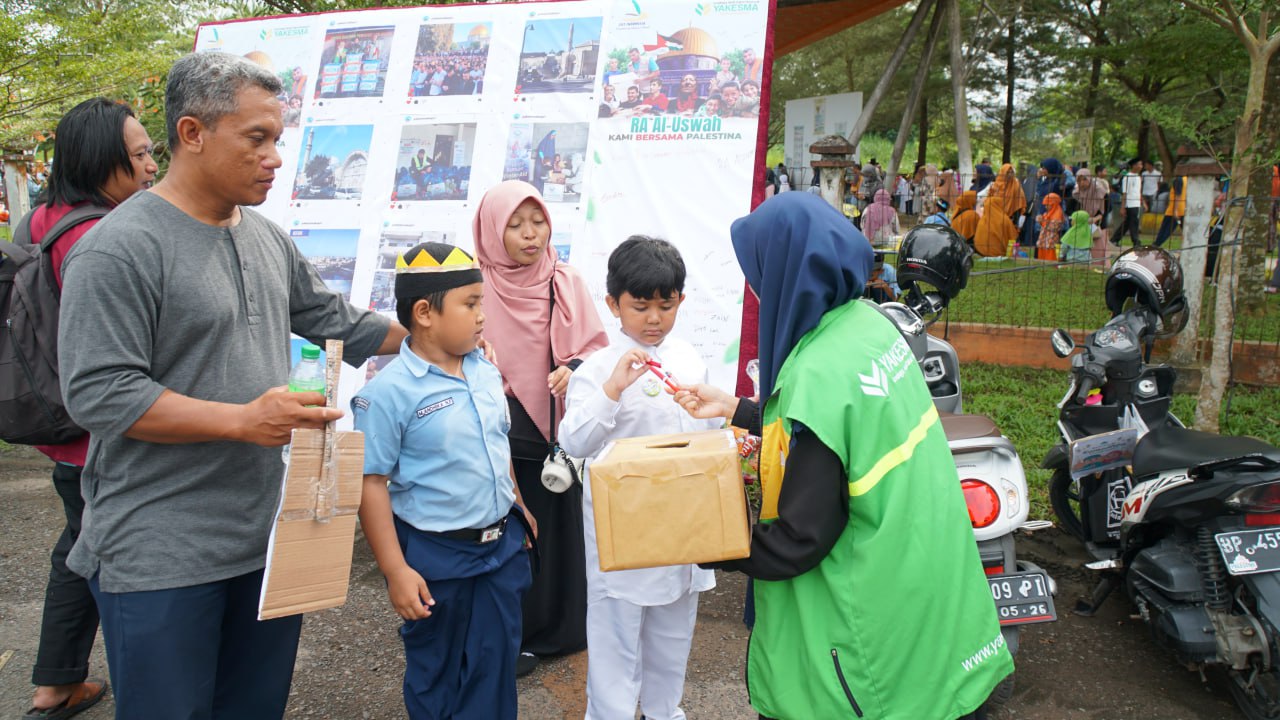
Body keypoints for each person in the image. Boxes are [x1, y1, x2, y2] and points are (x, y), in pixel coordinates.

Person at [56, 52, 405, 718]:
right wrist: (242, 420)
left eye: (277, 139)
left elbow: (330, 317)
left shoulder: (266, 238)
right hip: (161, 549)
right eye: (257, 139)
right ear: (192, 133)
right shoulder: (119, 247)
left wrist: (426, 336)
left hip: (264, 539)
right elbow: (99, 391)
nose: (275, 157)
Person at [671, 193, 1013, 720]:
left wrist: (698, 538)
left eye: (758, 271)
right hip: (926, 598)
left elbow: (796, 542)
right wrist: (741, 409)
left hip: (865, 646)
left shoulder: (815, 375)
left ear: (785, 272)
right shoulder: (870, 327)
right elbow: (849, 428)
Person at [353, 241, 535, 720]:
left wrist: (518, 504)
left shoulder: (485, 370)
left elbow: (498, 443)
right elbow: (370, 483)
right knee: (438, 673)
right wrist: (395, 571)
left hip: (500, 550)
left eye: (482, 304)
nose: (482, 317)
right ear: (424, 313)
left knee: (495, 667)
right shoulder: (386, 394)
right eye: (470, 304)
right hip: (438, 559)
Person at [22, 97, 158, 720]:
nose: (152, 165)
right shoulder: (100, 237)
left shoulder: (40, 219)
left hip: (56, 419)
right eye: (139, 154)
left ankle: (56, 681)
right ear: (102, 159)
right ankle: (135, 688)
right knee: (106, 559)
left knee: (77, 546)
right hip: (97, 433)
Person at [558, 236, 718, 720]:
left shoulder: (689, 357)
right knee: (615, 637)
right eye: (640, 305)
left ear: (680, 302)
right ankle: (608, 713)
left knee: (673, 634)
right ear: (613, 304)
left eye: (665, 305)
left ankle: (664, 711)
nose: (653, 318)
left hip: (682, 525)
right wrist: (611, 390)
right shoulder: (601, 368)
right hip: (622, 530)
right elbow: (573, 442)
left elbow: (705, 433)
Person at [473, 180, 608, 674]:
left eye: (538, 221)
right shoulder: (475, 283)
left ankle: (557, 631)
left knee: (554, 535)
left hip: (552, 434)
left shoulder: (563, 280)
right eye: (515, 224)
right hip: (494, 432)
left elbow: (596, 348)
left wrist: (572, 367)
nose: (531, 234)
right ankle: (512, 631)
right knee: (505, 537)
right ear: (492, 230)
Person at [1120, 158, 1145, 246]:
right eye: (1139, 164)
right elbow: (1125, 192)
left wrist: (1143, 202)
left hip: (1136, 202)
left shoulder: (1138, 177)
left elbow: (1139, 191)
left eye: (1141, 164)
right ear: (1133, 166)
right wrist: (1123, 207)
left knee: (1128, 223)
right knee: (1134, 223)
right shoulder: (1127, 177)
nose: (1140, 166)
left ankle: (1114, 239)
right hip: (1130, 203)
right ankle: (1136, 241)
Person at [1154, 175, 1186, 247]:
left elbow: (1178, 195)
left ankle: (1155, 246)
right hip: (1183, 210)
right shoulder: (1187, 180)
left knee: (1164, 232)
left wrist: (1175, 210)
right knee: (1186, 233)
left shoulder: (1179, 179)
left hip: (1173, 210)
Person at [1037, 192, 1066, 259]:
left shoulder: (1058, 214)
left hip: (1051, 239)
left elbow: (1053, 228)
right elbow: (1044, 224)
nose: (1045, 207)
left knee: (1050, 255)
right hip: (1044, 238)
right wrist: (1040, 221)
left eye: (1048, 205)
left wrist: (1042, 221)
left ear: (1054, 204)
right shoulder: (1048, 213)